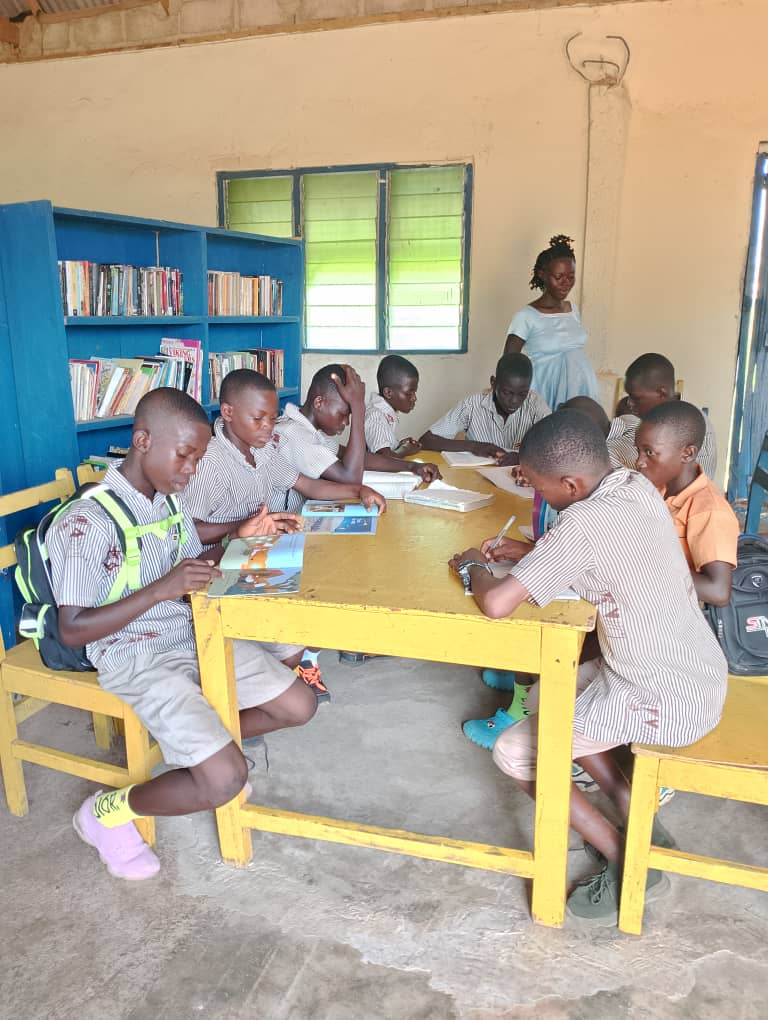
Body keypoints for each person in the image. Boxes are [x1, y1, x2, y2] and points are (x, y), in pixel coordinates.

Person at [450, 410, 727, 924]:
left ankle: (628, 861)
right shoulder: (634, 485)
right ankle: (633, 811)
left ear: (570, 484)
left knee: (516, 751)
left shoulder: (579, 522)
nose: (538, 497)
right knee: (539, 697)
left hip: (659, 700)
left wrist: (475, 566)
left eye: (538, 488)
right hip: (697, 673)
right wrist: (533, 551)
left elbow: (498, 604)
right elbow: (605, 554)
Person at [47, 388, 318, 881]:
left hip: (189, 633)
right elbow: (72, 630)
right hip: (134, 654)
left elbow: (193, 568)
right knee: (225, 781)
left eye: (198, 458)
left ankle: (204, 749)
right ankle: (105, 814)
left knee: (300, 705)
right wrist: (161, 589)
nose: (190, 470)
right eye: (185, 456)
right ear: (142, 439)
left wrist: (240, 541)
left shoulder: (168, 503)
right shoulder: (88, 521)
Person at [182, 368, 388, 701]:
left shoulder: (260, 449)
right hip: (220, 562)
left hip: (258, 552)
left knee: (328, 589)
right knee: (297, 637)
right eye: (258, 419)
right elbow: (187, 531)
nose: (267, 428)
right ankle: (278, 671)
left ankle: (290, 658)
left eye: (271, 418)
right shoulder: (210, 463)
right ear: (229, 413)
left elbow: (306, 484)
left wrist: (359, 489)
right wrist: (238, 529)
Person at [274, 364, 440, 509]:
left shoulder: (311, 430)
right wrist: (359, 408)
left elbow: (359, 458)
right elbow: (351, 478)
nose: (346, 422)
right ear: (319, 403)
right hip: (281, 531)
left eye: (351, 415)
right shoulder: (294, 435)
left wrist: (412, 467)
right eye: (344, 414)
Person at [635, 401, 738, 605]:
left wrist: (642, 570)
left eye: (649, 452)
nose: (639, 461)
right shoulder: (658, 489)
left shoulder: (709, 511)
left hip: (674, 617)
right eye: (638, 450)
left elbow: (718, 591)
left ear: (687, 453)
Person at [504, 235, 599, 409]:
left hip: (581, 389)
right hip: (545, 390)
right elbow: (509, 363)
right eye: (559, 276)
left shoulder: (573, 310)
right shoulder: (526, 316)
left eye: (571, 277)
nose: (566, 283)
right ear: (542, 274)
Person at [419, 353, 550, 467]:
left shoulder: (535, 403)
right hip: (477, 480)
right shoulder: (471, 405)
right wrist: (474, 446)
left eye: (522, 394)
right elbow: (427, 440)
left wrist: (523, 458)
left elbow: (555, 446)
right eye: (507, 392)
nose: (514, 400)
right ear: (493, 383)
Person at [617, 353, 718, 477]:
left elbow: (693, 489)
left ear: (661, 393)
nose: (630, 404)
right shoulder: (654, 420)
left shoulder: (695, 430)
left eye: (636, 398)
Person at [365, 354, 423, 458]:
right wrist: (405, 450)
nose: (414, 398)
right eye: (409, 393)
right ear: (388, 393)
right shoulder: (375, 416)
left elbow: (384, 448)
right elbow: (384, 458)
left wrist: (399, 445)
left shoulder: (385, 413)